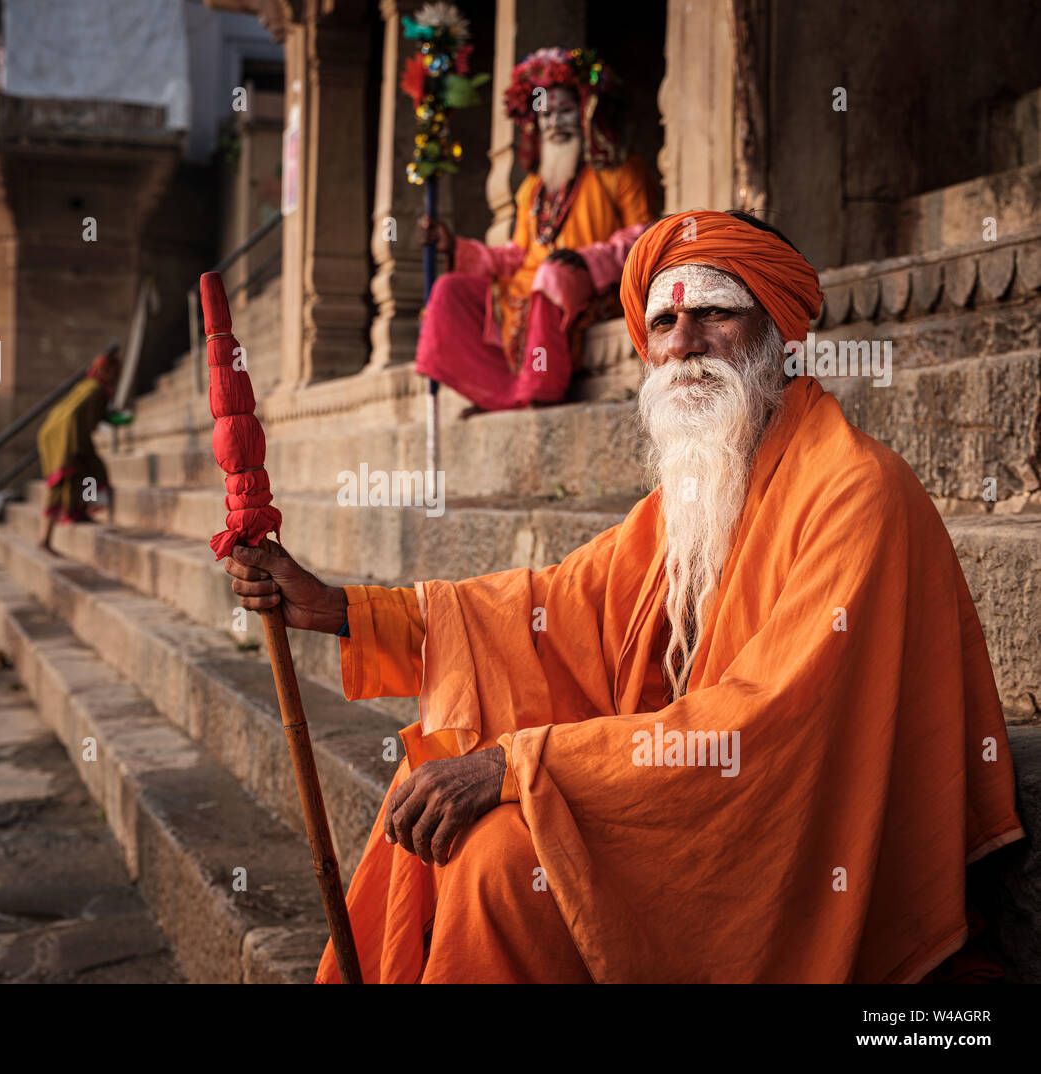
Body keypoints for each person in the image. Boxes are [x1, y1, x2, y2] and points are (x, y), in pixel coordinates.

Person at [223, 209, 1025, 983]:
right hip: (682, 796)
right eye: (665, 324)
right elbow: (551, 611)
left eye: (716, 313)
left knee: (502, 863)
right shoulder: (697, 495)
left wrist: (519, 763)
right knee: (435, 797)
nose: (684, 345)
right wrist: (339, 609)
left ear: (781, 333)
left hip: (788, 839)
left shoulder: (856, 489)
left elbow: (769, 720)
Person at [415, 47, 656, 413]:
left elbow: (643, 237)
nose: (554, 123)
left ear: (585, 115)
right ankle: (502, 394)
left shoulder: (620, 171)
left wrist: (585, 259)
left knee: (551, 276)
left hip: (589, 286)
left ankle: (539, 388)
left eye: (564, 112)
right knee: (451, 290)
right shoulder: (532, 188)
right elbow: (515, 254)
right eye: (545, 115)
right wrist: (455, 247)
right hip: (528, 287)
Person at [36, 342, 129, 553]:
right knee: (89, 471)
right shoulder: (98, 390)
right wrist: (114, 418)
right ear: (108, 371)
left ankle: (79, 512)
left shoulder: (87, 384)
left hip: (52, 433)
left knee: (74, 477)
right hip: (68, 435)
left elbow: (86, 413)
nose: (116, 375)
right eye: (115, 371)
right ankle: (47, 538)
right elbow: (87, 418)